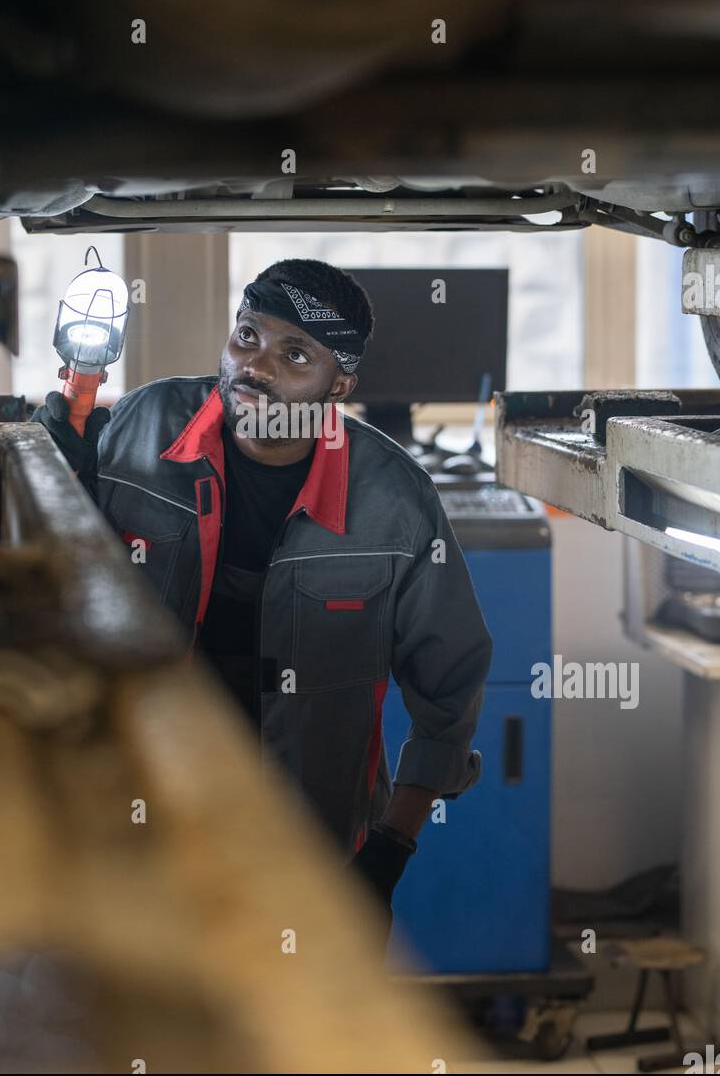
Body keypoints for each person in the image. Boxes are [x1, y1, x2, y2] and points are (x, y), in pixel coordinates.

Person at [33, 257, 492, 932]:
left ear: (340, 382)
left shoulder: (395, 503)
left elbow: (448, 696)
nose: (256, 367)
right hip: (140, 816)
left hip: (310, 846)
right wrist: (58, 447)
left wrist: (388, 852)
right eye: (247, 335)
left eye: (295, 354)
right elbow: (52, 558)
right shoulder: (141, 427)